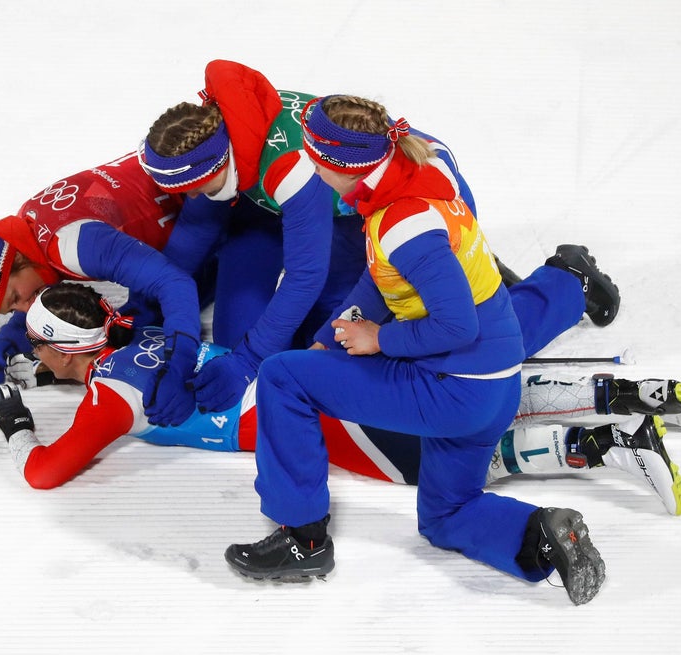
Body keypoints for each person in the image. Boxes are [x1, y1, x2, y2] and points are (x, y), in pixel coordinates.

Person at [228, 94, 618, 604]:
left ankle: (301, 539)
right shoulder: (415, 173)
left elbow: (455, 326)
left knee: (283, 376)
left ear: (335, 165)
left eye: (310, 152)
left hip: (452, 388)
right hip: (490, 388)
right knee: (445, 515)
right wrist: (335, 333)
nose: (303, 160)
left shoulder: (403, 225)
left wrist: (378, 339)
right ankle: (540, 533)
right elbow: (381, 274)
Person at [0, 284, 681, 521]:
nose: (32, 358)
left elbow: (46, 473)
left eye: (36, 348)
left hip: (317, 423)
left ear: (67, 349)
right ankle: (627, 393)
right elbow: (101, 362)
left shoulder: (109, 401)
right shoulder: (142, 336)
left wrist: (16, 428)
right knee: (465, 396)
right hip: (320, 376)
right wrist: (51, 377)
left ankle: (607, 443)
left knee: (441, 464)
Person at [139, 60, 620, 413]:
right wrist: (142, 310)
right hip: (352, 202)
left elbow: (306, 275)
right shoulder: (220, 132)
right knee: (305, 340)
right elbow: (196, 228)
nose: (192, 197)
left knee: (453, 344)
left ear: (223, 162)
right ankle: (471, 272)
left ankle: (564, 284)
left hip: (411, 212)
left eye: (192, 187)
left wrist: (248, 361)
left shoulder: (296, 172)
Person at [0, 151, 203, 426]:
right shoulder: (24, 229)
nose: (25, 309)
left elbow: (175, 283)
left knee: (141, 318)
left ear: (17, 260)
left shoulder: (73, 244)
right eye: (11, 309)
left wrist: (180, 362)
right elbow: (37, 301)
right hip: (183, 182)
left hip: (217, 201)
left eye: (16, 297)